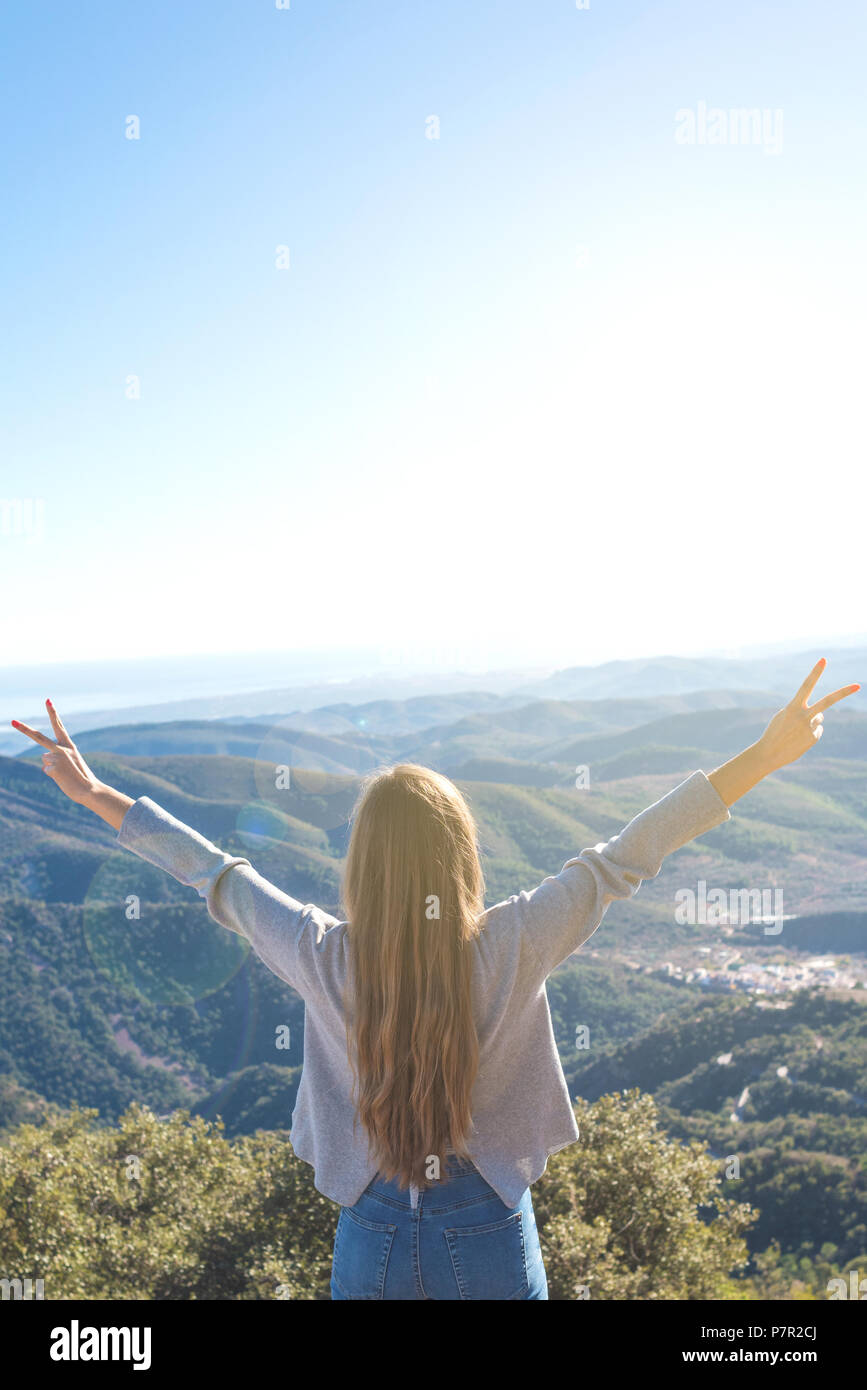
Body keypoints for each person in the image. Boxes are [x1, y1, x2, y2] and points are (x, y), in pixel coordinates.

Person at [12, 657, 859, 1300]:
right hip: (487, 1224)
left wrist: (92, 794)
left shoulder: (318, 951)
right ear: (461, 854)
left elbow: (213, 872)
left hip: (370, 1229)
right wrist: (762, 755)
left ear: (360, 866)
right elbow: (624, 857)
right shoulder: (516, 938)